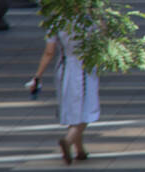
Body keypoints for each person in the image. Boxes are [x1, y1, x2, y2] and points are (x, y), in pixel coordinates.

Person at [28, 30, 101, 163]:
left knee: (72, 108)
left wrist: (37, 76)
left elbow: (49, 52)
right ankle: (68, 141)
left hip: (63, 69)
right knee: (86, 109)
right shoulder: (89, 18)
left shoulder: (55, 21)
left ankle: (80, 150)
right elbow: (102, 37)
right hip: (84, 68)